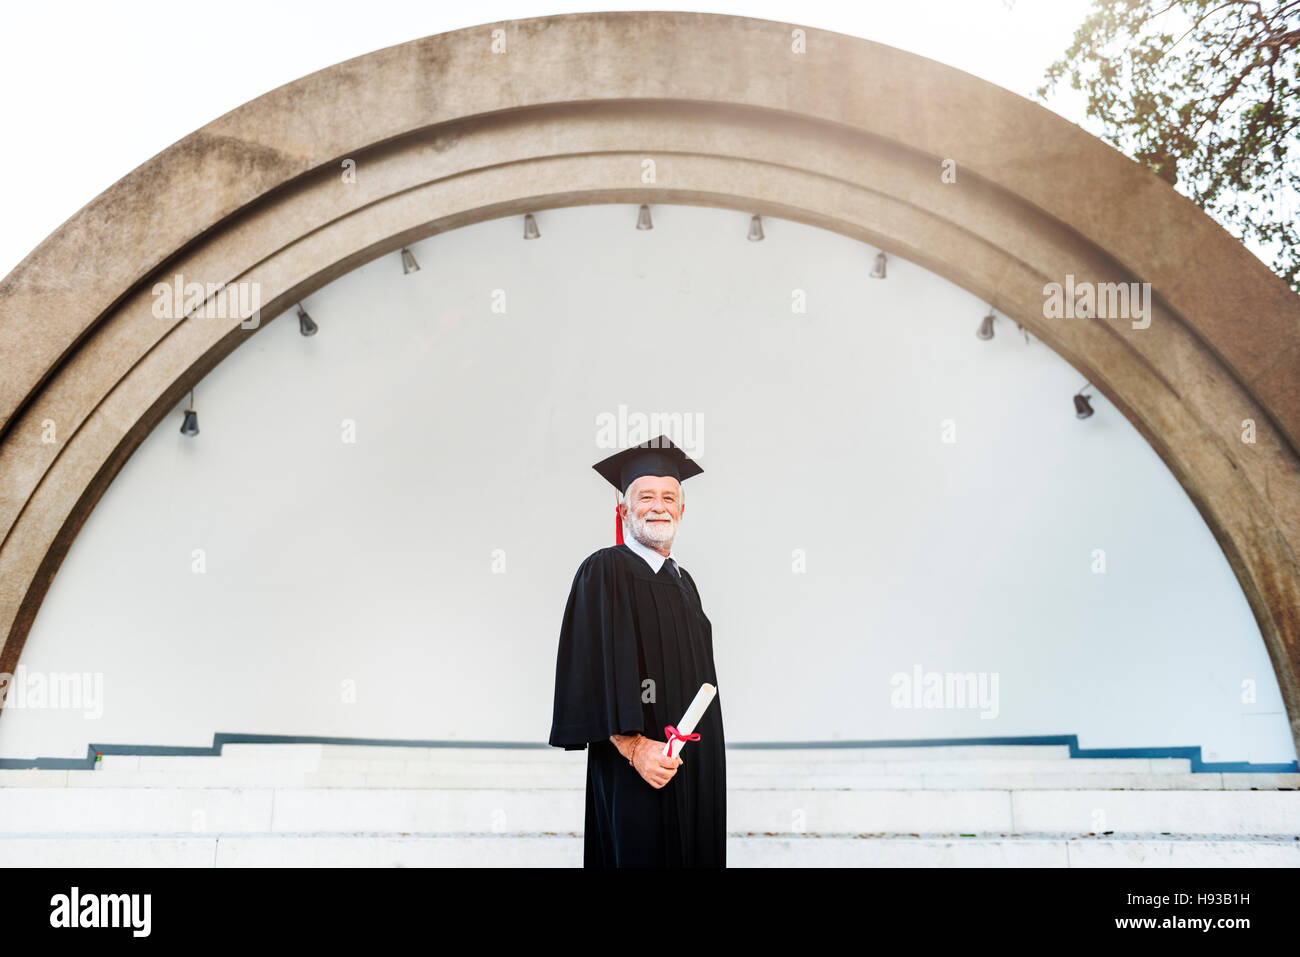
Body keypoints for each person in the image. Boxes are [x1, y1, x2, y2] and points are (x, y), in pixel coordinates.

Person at [548, 435, 726, 867]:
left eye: (669, 497)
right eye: (645, 496)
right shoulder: (605, 569)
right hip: (637, 765)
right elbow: (589, 667)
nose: (658, 506)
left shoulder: (684, 583)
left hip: (692, 764)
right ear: (624, 510)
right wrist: (633, 747)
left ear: (681, 510)